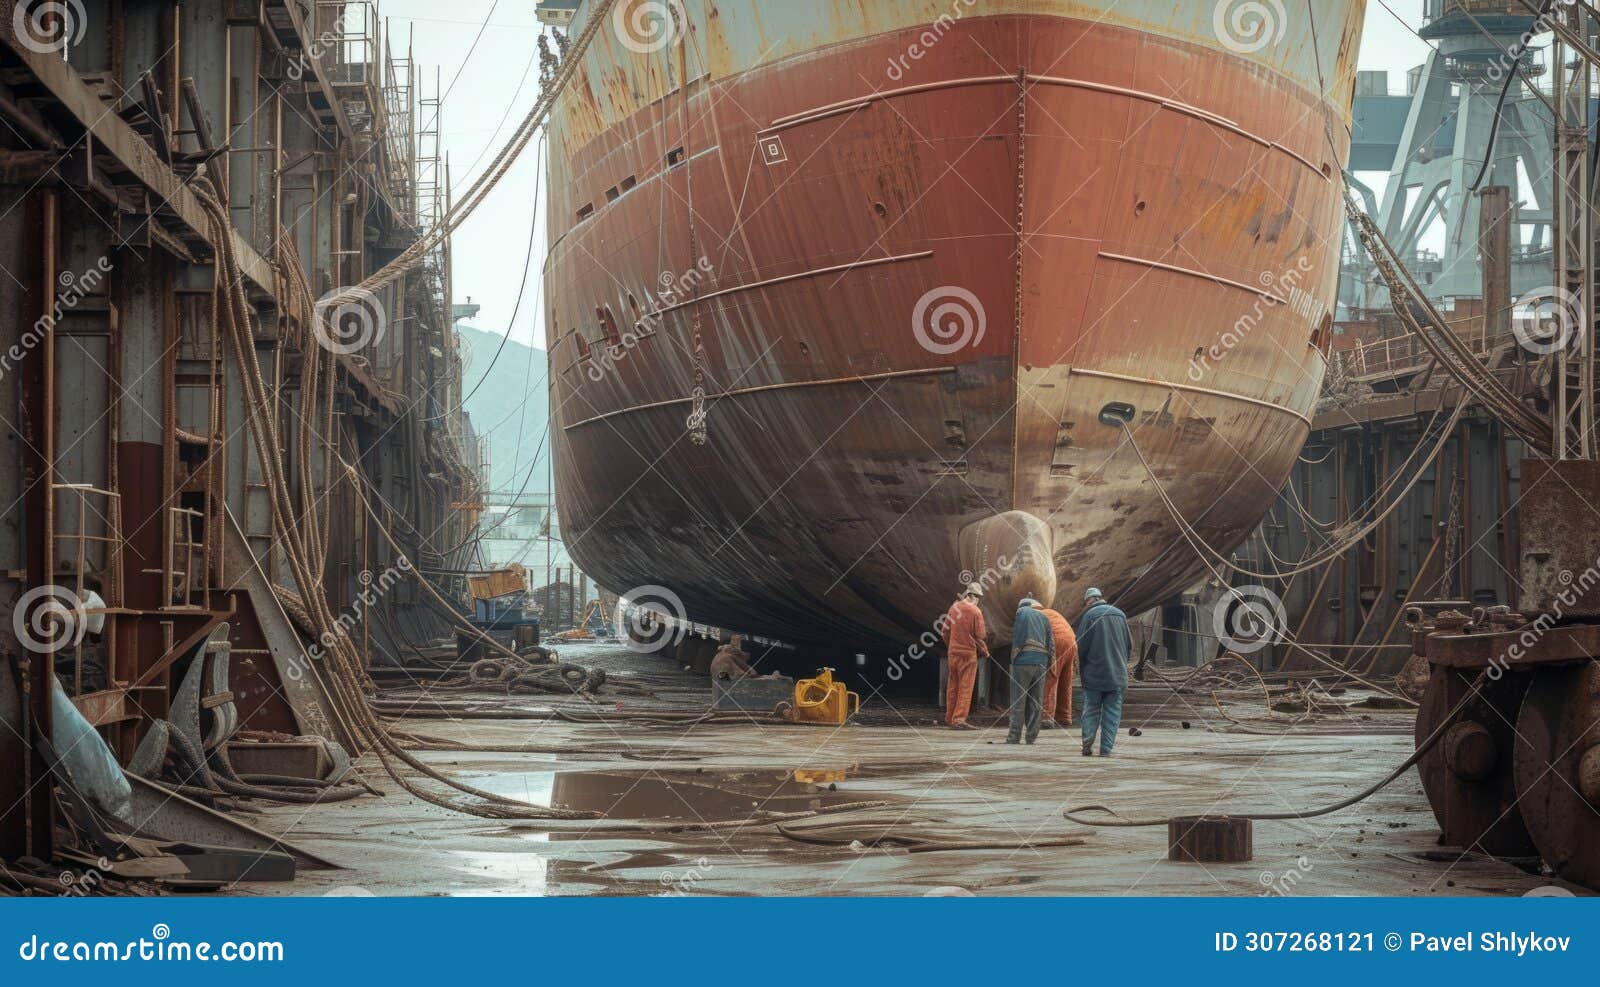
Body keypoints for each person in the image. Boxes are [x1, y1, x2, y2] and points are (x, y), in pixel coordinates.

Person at [1075, 587, 1131, 756]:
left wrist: (1083, 668)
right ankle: (1106, 749)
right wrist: (1121, 664)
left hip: (1094, 674)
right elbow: (1129, 646)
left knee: (1091, 709)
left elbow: (1081, 646)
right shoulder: (1120, 615)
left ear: (1089, 601)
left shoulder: (1089, 616)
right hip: (1117, 675)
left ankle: (1087, 744)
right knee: (1112, 713)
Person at [940, 583, 989, 730]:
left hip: (953, 654)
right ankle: (959, 719)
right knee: (965, 687)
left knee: (952, 687)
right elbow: (980, 636)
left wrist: (952, 646)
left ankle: (949, 717)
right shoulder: (975, 611)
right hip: (968, 655)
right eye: (978, 597)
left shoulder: (953, 608)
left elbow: (944, 632)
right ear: (972, 596)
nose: (978, 600)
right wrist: (985, 651)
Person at [1006, 598, 1054, 745]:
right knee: (1036, 702)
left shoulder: (1022, 612)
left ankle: (1014, 737)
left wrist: (1014, 656)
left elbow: (1019, 636)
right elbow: (1051, 644)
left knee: (1018, 701)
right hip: (1041, 662)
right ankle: (1031, 737)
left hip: (1023, 661)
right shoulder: (1045, 617)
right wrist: (1049, 663)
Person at [1039, 604, 1079, 729]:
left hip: (1057, 642)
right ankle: (1064, 716)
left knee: (1050, 678)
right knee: (1065, 681)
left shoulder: (1038, 615)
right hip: (1071, 642)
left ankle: (1046, 717)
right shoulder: (1053, 613)